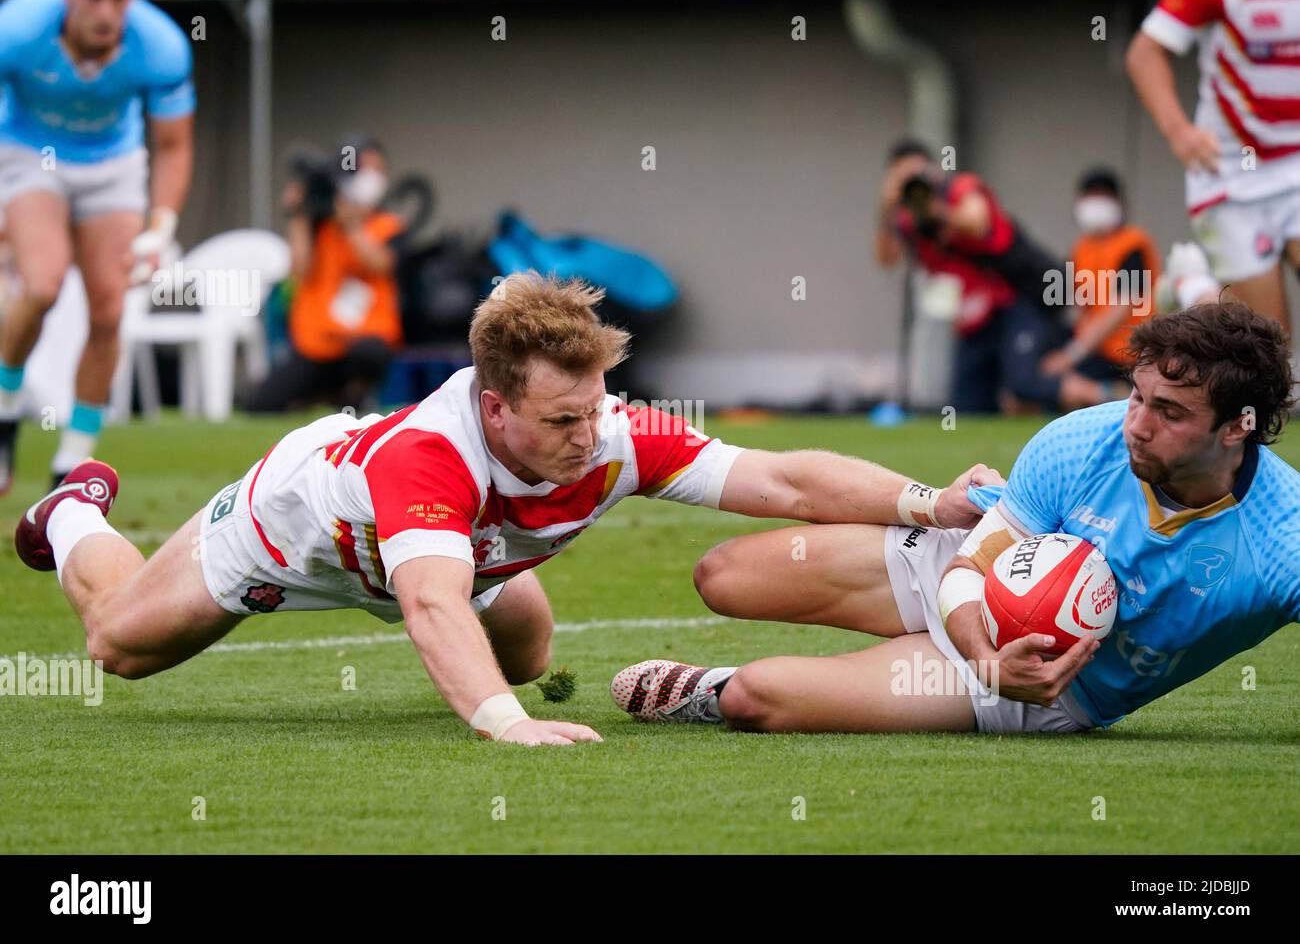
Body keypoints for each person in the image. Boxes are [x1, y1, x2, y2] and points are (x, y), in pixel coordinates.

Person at [13, 271, 996, 747]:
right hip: (297, 533)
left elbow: (785, 481)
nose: (591, 432)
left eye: (597, 405)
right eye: (562, 416)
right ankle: (72, 510)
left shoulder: (610, 427)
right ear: (494, 406)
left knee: (526, 645)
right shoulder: (425, 457)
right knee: (117, 647)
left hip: (452, 556)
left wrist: (928, 498)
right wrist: (499, 720)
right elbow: (433, 604)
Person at [614, 300, 1300, 736]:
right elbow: (972, 563)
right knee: (724, 573)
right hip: (969, 578)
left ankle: (710, 690)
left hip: (1047, 688)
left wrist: (997, 670)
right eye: (1137, 398)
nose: (1137, 427)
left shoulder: (1283, 539)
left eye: (1170, 413)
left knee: (756, 700)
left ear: (1238, 429)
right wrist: (982, 648)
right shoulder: (1081, 439)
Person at [0, 0, 194, 493]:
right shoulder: (16, 28)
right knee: (42, 285)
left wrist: (162, 226)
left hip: (114, 165)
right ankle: (4, 408)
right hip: (29, 154)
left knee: (109, 310)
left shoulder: (163, 45)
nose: (107, 12)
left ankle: (70, 466)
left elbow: (173, 146)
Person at [1128, 0, 1300, 333]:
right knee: (1264, 342)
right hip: (1229, 179)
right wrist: (1179, 132)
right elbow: (1144, 53)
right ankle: (1191, 286)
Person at [876, 140, 1071, 414]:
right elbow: (886, 258)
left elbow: (977, 223)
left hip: (1019, 299)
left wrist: (935, 209)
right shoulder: (907, 220)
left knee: (1023, 383)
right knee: (966, 406)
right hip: (975, 316)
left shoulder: (960, 189)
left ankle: (1099, 392)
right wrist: (887, 207)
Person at [245, 138, 403, 413]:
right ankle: (320, 396)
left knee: (369, 355)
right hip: (316, 346)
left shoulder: (387, 225)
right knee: (259, 404)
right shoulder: (320, 225)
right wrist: (300, 213)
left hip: (362, 341)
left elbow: (381, 264)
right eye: (362, 169)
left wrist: (351, 223)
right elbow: (299, 270)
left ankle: (352, 396)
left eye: (377, 170)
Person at [1035, 168, 1162, 411]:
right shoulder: (1082, 247)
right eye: (1089, 196)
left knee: (1068, 390)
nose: (1095, 204)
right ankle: (1110, 396)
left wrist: (1070, 355)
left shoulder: (1133, 242)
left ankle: (1119, 396)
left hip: (1132, 353)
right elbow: (1066, 298)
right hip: (1095, 352)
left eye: (1102, 196)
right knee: (1039, 388)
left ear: (1120, 203)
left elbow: (1120, 308)